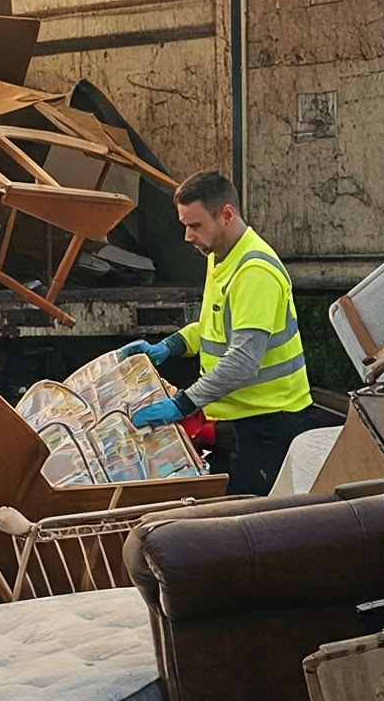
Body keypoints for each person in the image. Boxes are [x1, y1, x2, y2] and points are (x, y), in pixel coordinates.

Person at [122, 169, 319, 497]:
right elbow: (213, 327)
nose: (187, 236)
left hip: (268, 425)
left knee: (252, 518)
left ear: (226, 215)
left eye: (195, 225)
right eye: (185, 225)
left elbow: (243, 360)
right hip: (241, 422)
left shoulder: (254, 271)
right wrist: (169, 346)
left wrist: (182, 404)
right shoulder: (220, 255)